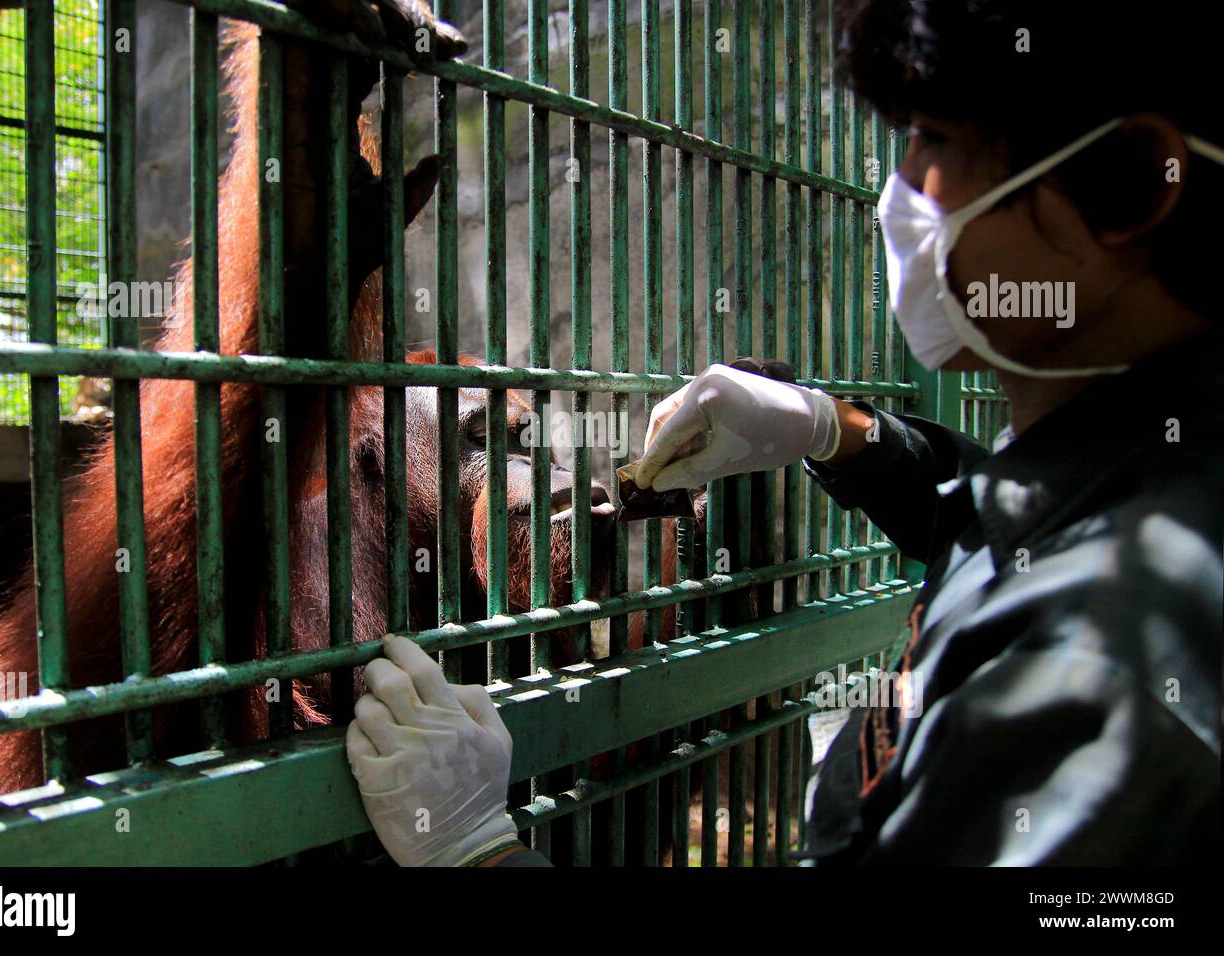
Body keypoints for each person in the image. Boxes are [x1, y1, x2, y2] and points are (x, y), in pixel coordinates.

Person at [345, 0, 1221, 865]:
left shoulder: (1108, 661)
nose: (901, 186)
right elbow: (1015, 522)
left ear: (1132, 181)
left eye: (935, 139)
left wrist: (480, 851)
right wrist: (833, 431)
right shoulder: (1140, 488)